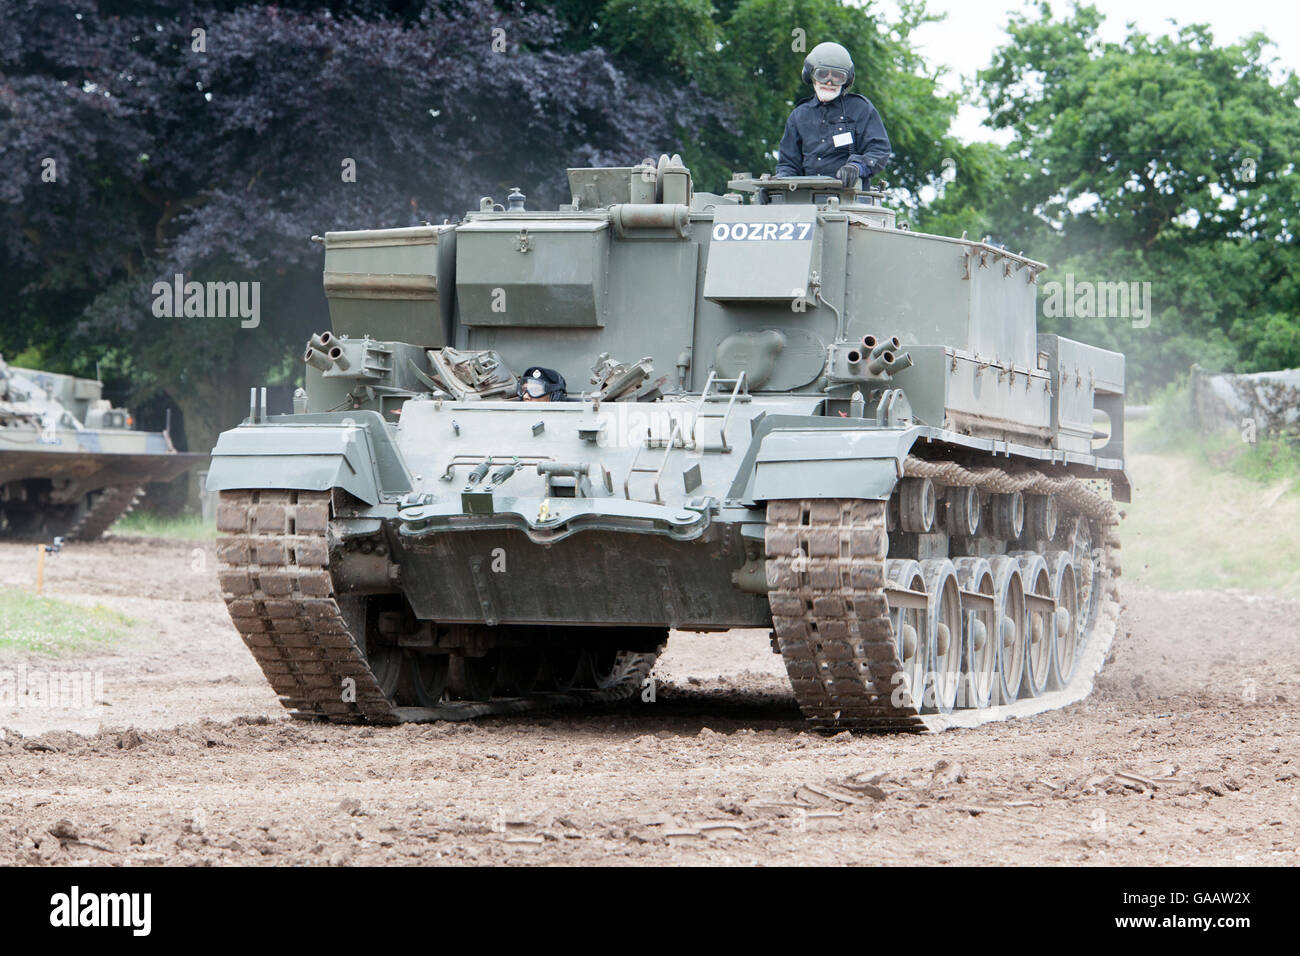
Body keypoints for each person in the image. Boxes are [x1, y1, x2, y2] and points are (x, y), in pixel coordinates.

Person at [774, 41, 891, 188]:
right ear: (810, 75)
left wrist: (857, 167)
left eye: (837, 76)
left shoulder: (860, 108)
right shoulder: (799, 115)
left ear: (846, 80)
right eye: (822, 74)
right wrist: (777, 186)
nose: (829, 82)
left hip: (850, 198)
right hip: (805, 200)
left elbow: (879, 149)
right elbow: (788, 164)